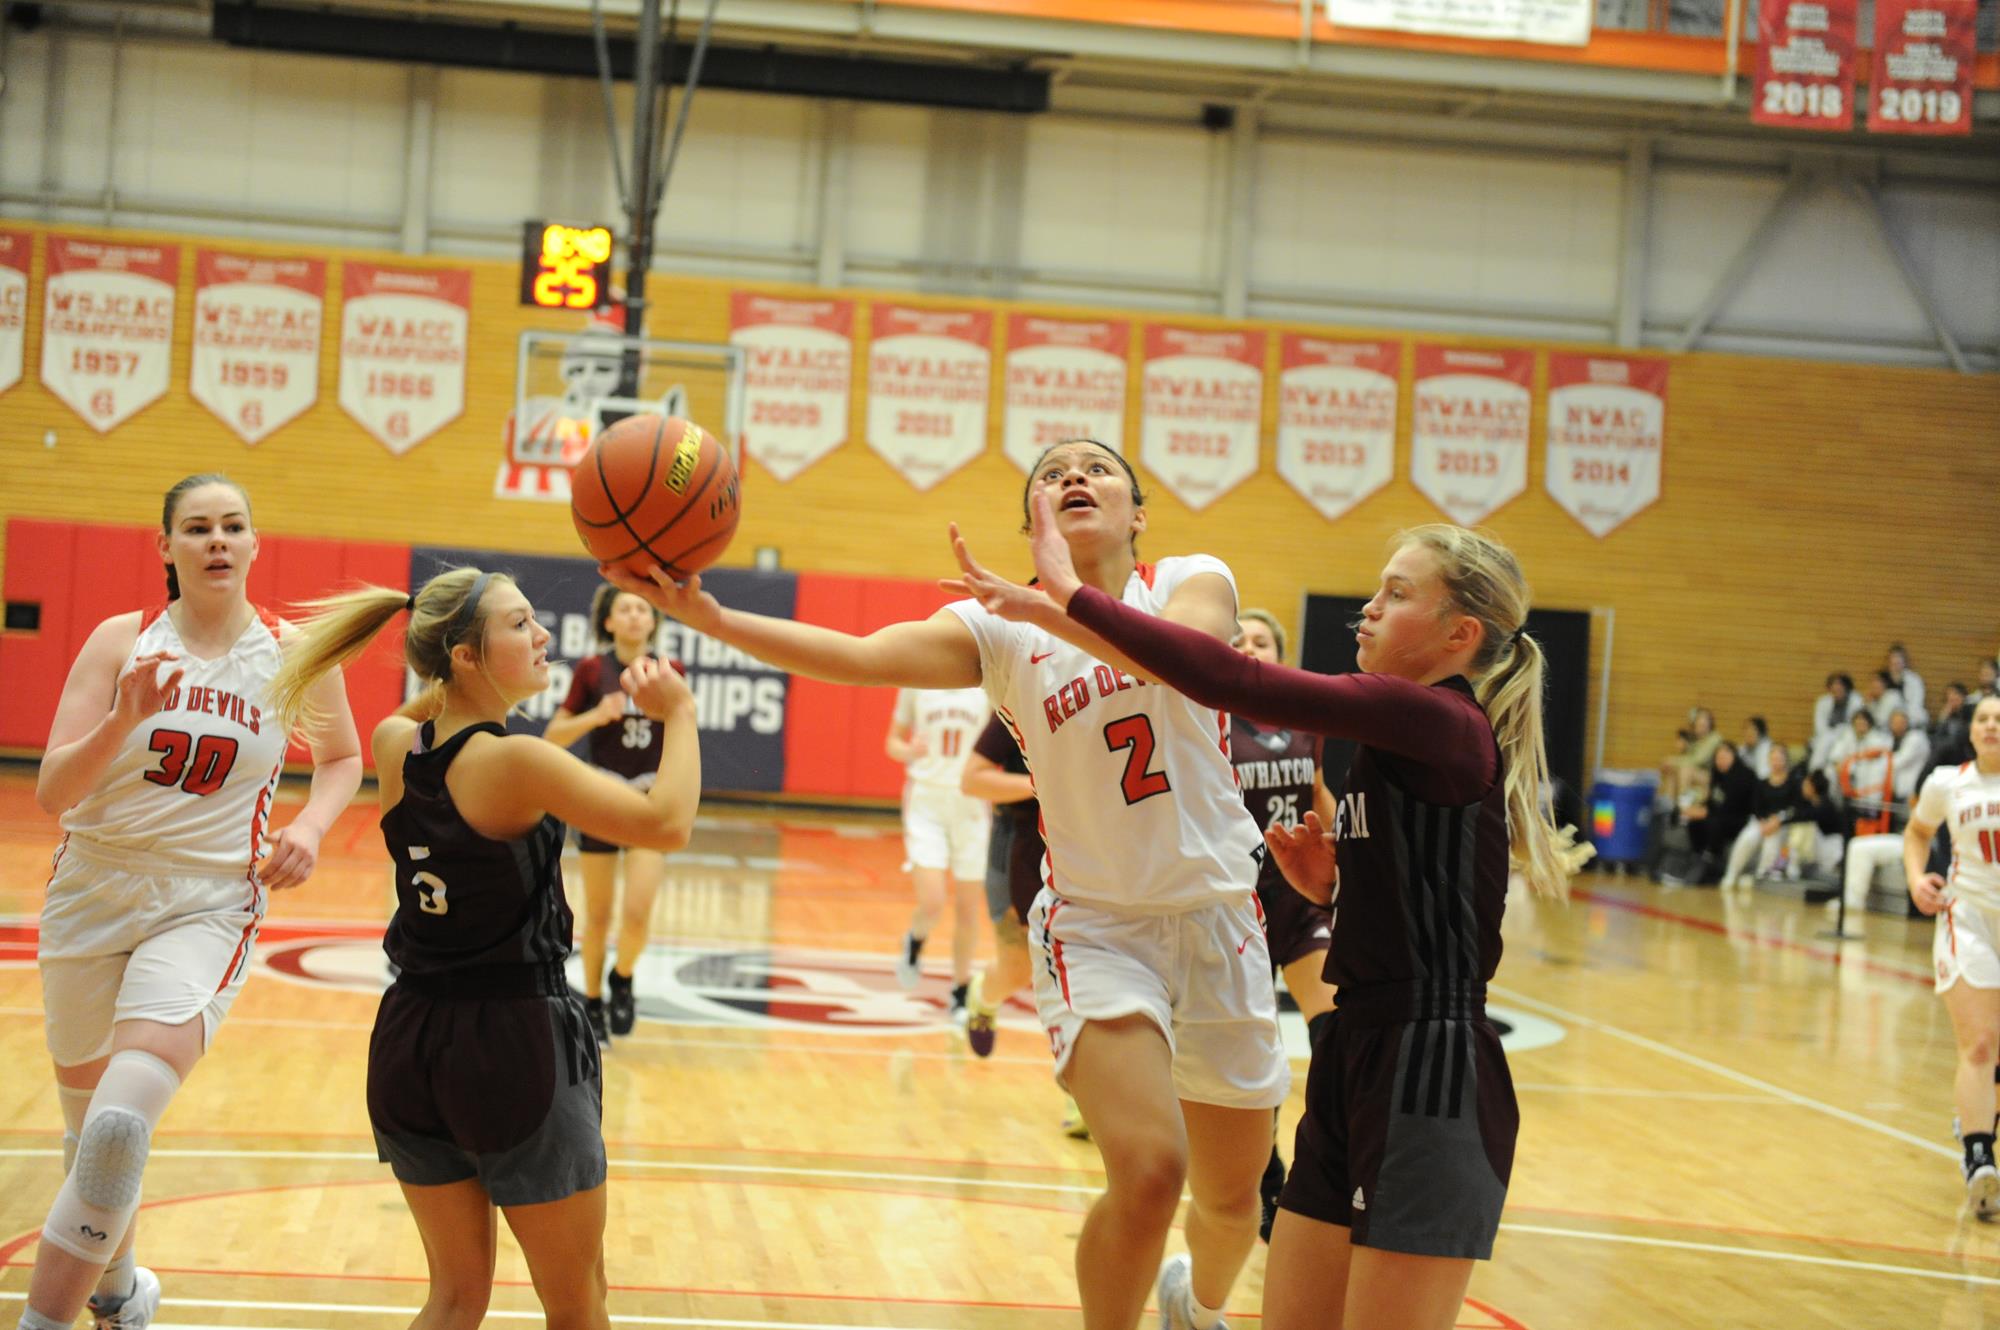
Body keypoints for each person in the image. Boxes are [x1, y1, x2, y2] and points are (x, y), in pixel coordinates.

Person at [602, 438, 1288, 1330]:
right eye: (1052, 474)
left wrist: (1054, 602)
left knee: (1235, 1201)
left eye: (1097, 468)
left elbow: (1183, 657)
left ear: (1138, 513)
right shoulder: (1002, 629)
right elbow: (855, 655)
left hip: (1221, 919)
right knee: (1153, 1172)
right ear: (1033, 520)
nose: (1073, 476)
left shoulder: (1194, 578)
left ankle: (1193, 1306)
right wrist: (711, 616)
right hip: (1100, 928)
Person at [945, 497, 1586, 1330]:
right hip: (1355, 1050)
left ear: (1459, 634)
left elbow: (1229, 677)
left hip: (1431, 1066)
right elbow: (1427, 901)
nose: (1369, 607)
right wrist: (1333, 890)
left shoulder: (1437, 717)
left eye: (1395, 594)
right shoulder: (1392, 740)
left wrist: (1069, 594)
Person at [265, 566, 702, 1330]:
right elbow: (666, 823)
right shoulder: (514, 763)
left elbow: (428, 706)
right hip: (513, 1047)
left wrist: (454, 663)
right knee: (577, 1303)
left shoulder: (397, 743)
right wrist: (683, 712)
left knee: (455, 1298)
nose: (542, 636)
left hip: (409, 1041)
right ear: (465, 655)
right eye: (520, 623)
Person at [24, 474, 364, 1330]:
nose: (217, 540)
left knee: (116, 1131)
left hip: (208, 900)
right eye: (198, 527)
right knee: (87, 1133)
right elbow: (51, 795)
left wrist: (315, 828)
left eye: (233, 526)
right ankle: (119, 1298)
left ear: (254, 544)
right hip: (92, 888)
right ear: (166, 547)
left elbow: (342, 757)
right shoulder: (120, 641)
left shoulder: (291, 656)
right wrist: (119, 720)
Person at [1229, 608, 1336, 1242]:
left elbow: (1318, 790)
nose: (1249, 646)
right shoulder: (1207, 716)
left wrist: (1340, 851)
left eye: (1261, 640)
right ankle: (1266, 1172)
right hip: (1235, 906)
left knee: (1336, 1034)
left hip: (1297, 900)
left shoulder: (1304, 716)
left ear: (1281, 652)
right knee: (1252, 1054)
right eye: (1237, 639)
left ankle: (1330, 1166)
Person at [542, 584, 671, 1044]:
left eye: (643, 608)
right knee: (597, 915)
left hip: (648, 801)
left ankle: (623, 976)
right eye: (626, 609)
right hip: (601, 798)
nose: (636, 615)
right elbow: (554, 734)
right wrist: (596, 716)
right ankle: (592, 1001)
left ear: (653, 621)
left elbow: (683, 736)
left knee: (637, 912)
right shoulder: (593, 669)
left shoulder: (668, 672)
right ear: (610, 622)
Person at [1903, 696, 2000, 1219]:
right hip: (1969, 918)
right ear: (1972, 731)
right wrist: (1917, 878)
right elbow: (1917, 834)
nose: (1991, 726)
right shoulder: (1948, 782)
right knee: (1980, 1043)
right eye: (1984, 718)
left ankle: (1976, 1116)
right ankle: (1979, 1159)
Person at [884, 686, 993, 1018]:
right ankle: (915, 941)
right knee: (932, 901)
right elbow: (891, 742)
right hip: (927, 800)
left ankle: (960, 991)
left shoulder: (986, 687)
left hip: (971, 802)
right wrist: (908, 750)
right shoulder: (916, 686)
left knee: (967, 908)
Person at [957, 715, 1038, 1058]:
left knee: (1088, 975)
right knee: (1018, 968)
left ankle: (1078, 1098)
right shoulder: (1020, 698)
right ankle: (984, 996)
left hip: (1085, 847)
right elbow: (972, 780)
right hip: (1022, 846)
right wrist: (1038, 785)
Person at [1674, 741, 1756, 885]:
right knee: (1695, 823)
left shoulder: (1743, 776)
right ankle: (1698, 856)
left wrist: (1704, 812)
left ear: (1733, 756)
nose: (1720, 761)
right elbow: (1713, 801)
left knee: (1714, 823)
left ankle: (1712, 860)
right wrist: (1697, 809)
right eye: (1718, 758)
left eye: (1724, 757)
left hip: (1739, 818)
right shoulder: (1717, 775)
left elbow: (1731, 806)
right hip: (1720, 815)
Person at [1721, 743, 1799, 889]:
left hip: (1783, 824)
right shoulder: (1762, 783)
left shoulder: (1793, 783)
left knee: (1772, 839)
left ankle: (1762, 875)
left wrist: (1778, 820)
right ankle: (1731, 873)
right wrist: (1763, 821)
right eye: (1773, 759)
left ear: (1785, 761)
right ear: (1769, 761)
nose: (1776, 762)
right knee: (1747, 837)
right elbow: (1756, 806)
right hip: (1762, 821)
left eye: (1779, 759)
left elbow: (1794, 807)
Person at [1811, 673, 1860, 772]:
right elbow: (1819, 726)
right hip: (1827, 736)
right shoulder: (1823, 702)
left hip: (1848, 736)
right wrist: (1831, 736)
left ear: (1846, 687)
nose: (1837, 689)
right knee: (1823, 743)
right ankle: (1815, 772)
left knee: (1841, 751)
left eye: (1840, 686)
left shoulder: (1856, 700)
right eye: (1834, 687)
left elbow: (1856, 723)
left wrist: (1839, 734)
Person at [1886, 644, 1926, 722]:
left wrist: (1904, 719)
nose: (1896, 660)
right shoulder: (1883, 679)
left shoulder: (1915, 680)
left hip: (1910, 718)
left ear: (1904, 661)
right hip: (1888, 720)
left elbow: (1917, 703)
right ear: (1889, 661)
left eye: (1899, 657)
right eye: (1894, 657)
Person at [1739, 717, 1772, 782]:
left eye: (1753, 730)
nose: (1748, 733)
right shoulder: (1743, 749)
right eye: (1746, 729)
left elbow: (1762, 776)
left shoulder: (1768, 749)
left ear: (1761, 733)